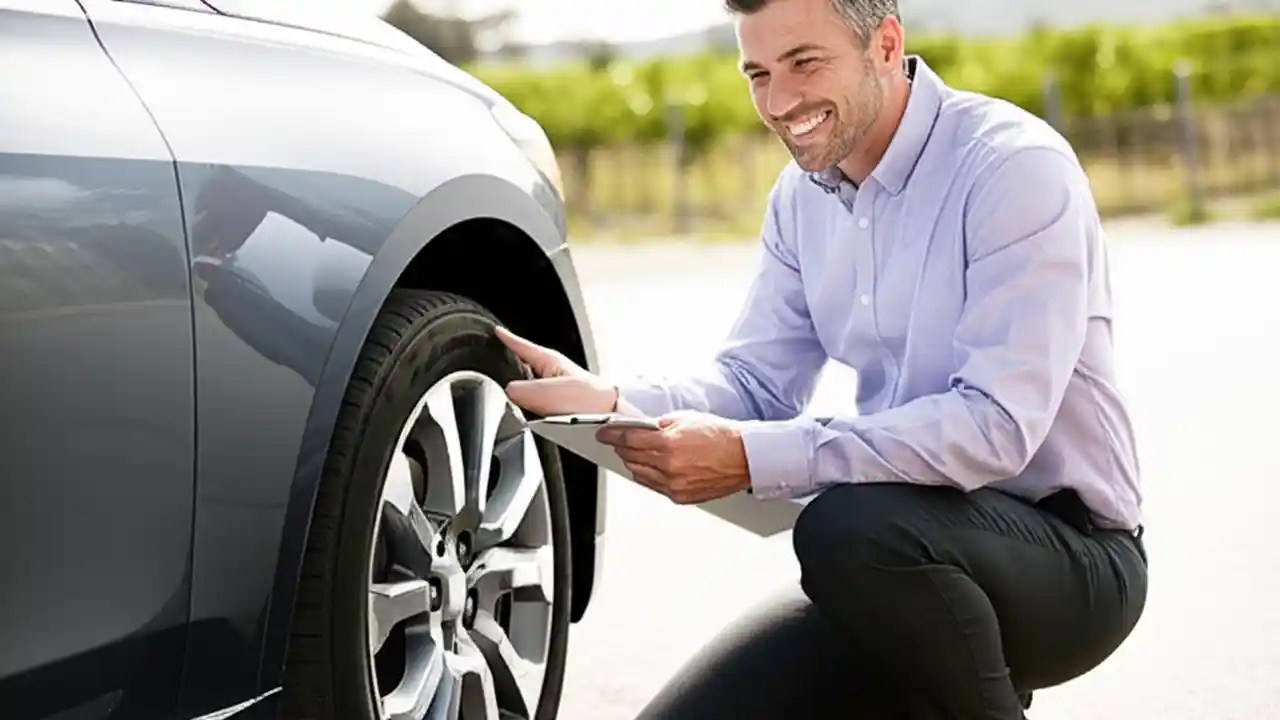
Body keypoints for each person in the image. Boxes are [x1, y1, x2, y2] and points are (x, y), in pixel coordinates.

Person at [496, 0, 1149, 716]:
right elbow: (753, 383)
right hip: (899, 563)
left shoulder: (1012, 170)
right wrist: (611, 404)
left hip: (1066, 559)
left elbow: (994, 427)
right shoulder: (799, 200)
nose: (779, 102)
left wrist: (752, 458)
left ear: (886, 43)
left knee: (846, 529)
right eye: (758, 74)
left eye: (804, 63)